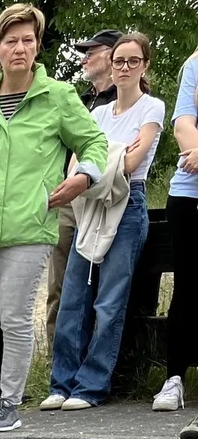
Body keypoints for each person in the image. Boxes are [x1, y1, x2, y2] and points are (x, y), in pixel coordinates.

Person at [0, 4, 107, 434]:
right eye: (10, 40)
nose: (19, 48)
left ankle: (8, 403)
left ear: (37, 47)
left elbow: (94, 142)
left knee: (13, 319)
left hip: (29, 224)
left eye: (27, 40)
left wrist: (83, 177)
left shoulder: (59, 97)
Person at [44, 33, 163, 411]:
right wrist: (109, 156)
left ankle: (92, 385)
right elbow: (75, 163)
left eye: (132, 61)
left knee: (110, 300)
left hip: (129, 203)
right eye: (118, 61)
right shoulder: (95, 115)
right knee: (74, 296)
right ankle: (62, 382)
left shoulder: (152, 108)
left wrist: (101, 160)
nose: (124, 68)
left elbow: (132, 163)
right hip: (91, 207)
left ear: (144, 65)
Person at [46, 30, 123, 347]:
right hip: (69, 199)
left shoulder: (127, 99)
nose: (84, 58)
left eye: (91, 52)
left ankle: (101, 358)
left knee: (101, 286)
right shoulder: (80, 99)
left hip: (106, 200)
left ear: (110, 55)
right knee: (60, 282)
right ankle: (55, 362)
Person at [163, 47, 198, 439]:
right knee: (187, 288)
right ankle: (174, 378)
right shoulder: (194, 64)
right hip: (189, 194)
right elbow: (183, 125)